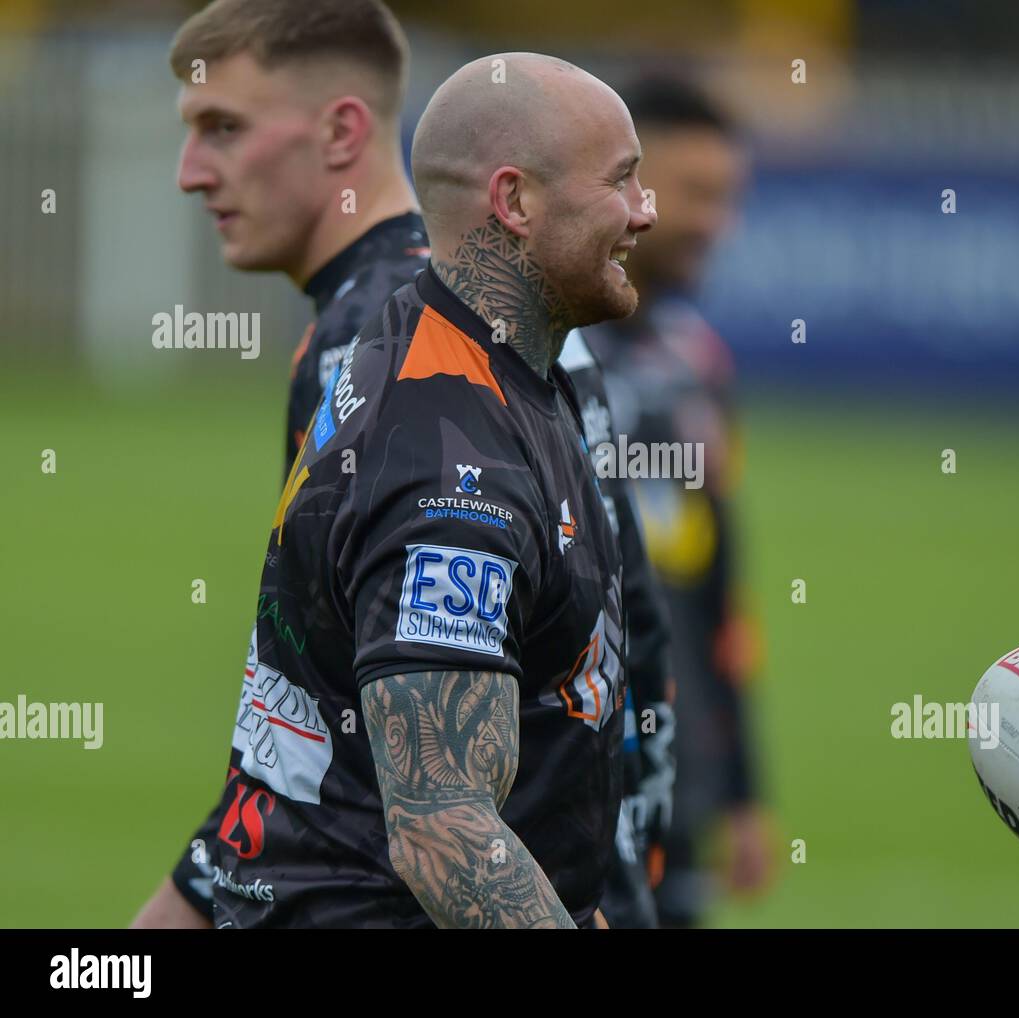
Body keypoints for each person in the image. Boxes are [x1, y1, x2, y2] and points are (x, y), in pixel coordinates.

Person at [132, 0, 667, 928]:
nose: (189, 174)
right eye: (623, 180)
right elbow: (420, 802)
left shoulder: (444, 336)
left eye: (223, 127)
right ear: (513, 200)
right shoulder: (444, 395)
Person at [581, 76, 770, 926]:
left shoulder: (700, 363)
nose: (713, 222)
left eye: (727, 198)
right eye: (696, 195)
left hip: (675, 778)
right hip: (555, 782)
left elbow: (716, 590)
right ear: (629, 186)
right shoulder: (538, 351)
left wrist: (741, 788)